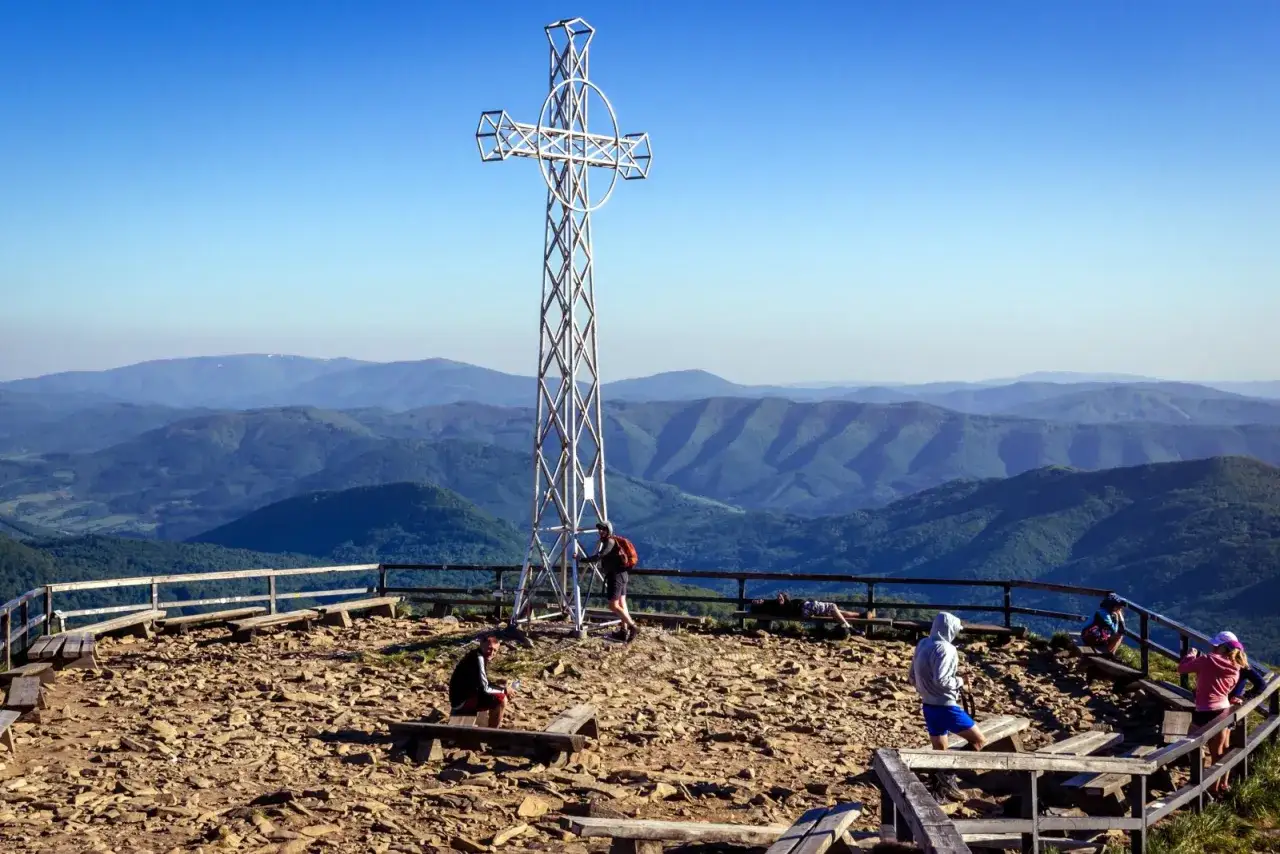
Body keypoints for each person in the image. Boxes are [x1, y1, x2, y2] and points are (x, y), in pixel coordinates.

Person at [908, 612, 986, 802]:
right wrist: (960, 681)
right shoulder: (947, 649)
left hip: (928, 705)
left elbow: (911, 675)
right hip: (946, 706)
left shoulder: (923, 644)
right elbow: (942, 680)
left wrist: (925, 689)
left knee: (940, 752)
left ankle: (939, 788)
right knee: (978, 741)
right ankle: (947, 781)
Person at [1178, 631, 1248, 796]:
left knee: (1192, 745)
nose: (1213, 648)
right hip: (1223, 710)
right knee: (1218, 754)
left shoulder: (1207, 660)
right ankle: (1215, 788)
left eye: (1216, 646)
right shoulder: (1236, 665)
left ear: (1223, 647)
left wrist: (1190, 655)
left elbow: (1182, 669)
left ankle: (1199, 781)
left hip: (1203, 710)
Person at [578, 521, 639, 642]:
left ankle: (633, 627)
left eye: (603, 529)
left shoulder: (609, 542)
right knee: (622, 604)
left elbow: (599, 556)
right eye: (599, 529)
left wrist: (582, 559)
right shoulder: (613, 541)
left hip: (615, 576)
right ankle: (623, 631)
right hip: (622, 575)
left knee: (613, 605)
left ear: (608, 531)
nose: (600, 531)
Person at [448, 634, 511, 728]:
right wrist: (504, 691)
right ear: (482, 644)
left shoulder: (475, 655)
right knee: (501, 699)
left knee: (497, 693)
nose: (492, 653)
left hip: (461, 697)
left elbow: (482, 682)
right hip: (461, 701)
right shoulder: (478, 658)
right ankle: (493, 735)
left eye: (495, 651)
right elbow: (485, 688)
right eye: (490, 648)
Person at [749, 592, 856, 633]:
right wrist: (782, 599)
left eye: (758, 599)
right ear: (758, 606)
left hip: (804, 607)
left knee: (834, 611)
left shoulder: (769, 604)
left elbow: (781, 602)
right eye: (757, 602)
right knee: (832, 606)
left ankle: (861, 615)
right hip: (804, 608)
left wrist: (782, 597)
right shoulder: (771, 607)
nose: (759, 600)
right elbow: (783, 608)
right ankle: (849, 627)